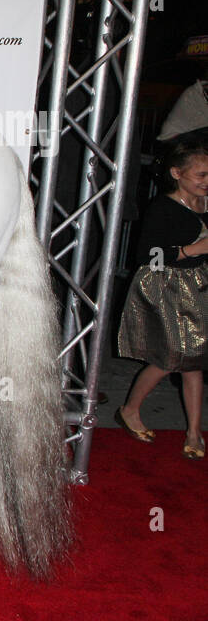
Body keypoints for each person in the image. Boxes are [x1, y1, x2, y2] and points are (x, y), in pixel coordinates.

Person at [116, 139, 208, 459]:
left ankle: (195, 431)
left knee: (192, 361)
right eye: (201, 175)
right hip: (163, 287)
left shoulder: (206, 204)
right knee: (169, 359)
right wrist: (192, 250)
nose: (207, 182)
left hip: (196, 288)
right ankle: (130, 408)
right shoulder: (163, 207)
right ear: (176, 174)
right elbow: (148, 257)